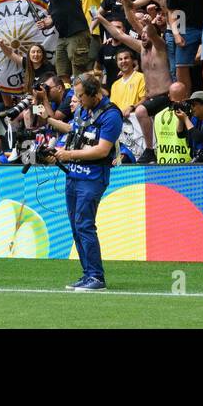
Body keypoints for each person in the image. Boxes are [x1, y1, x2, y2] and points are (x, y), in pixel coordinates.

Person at [40, 75, 123, 291]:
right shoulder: (81, 110)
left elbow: (102, 150)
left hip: (93, 177)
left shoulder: (111, 115)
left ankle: (97, 277)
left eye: (80, 96)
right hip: (73, 175)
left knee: (85, 225)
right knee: (77, 227)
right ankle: (88, 274)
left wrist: (68, 155)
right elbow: (73, 132)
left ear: (94, 94)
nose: (75, 100)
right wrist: (57, 153)